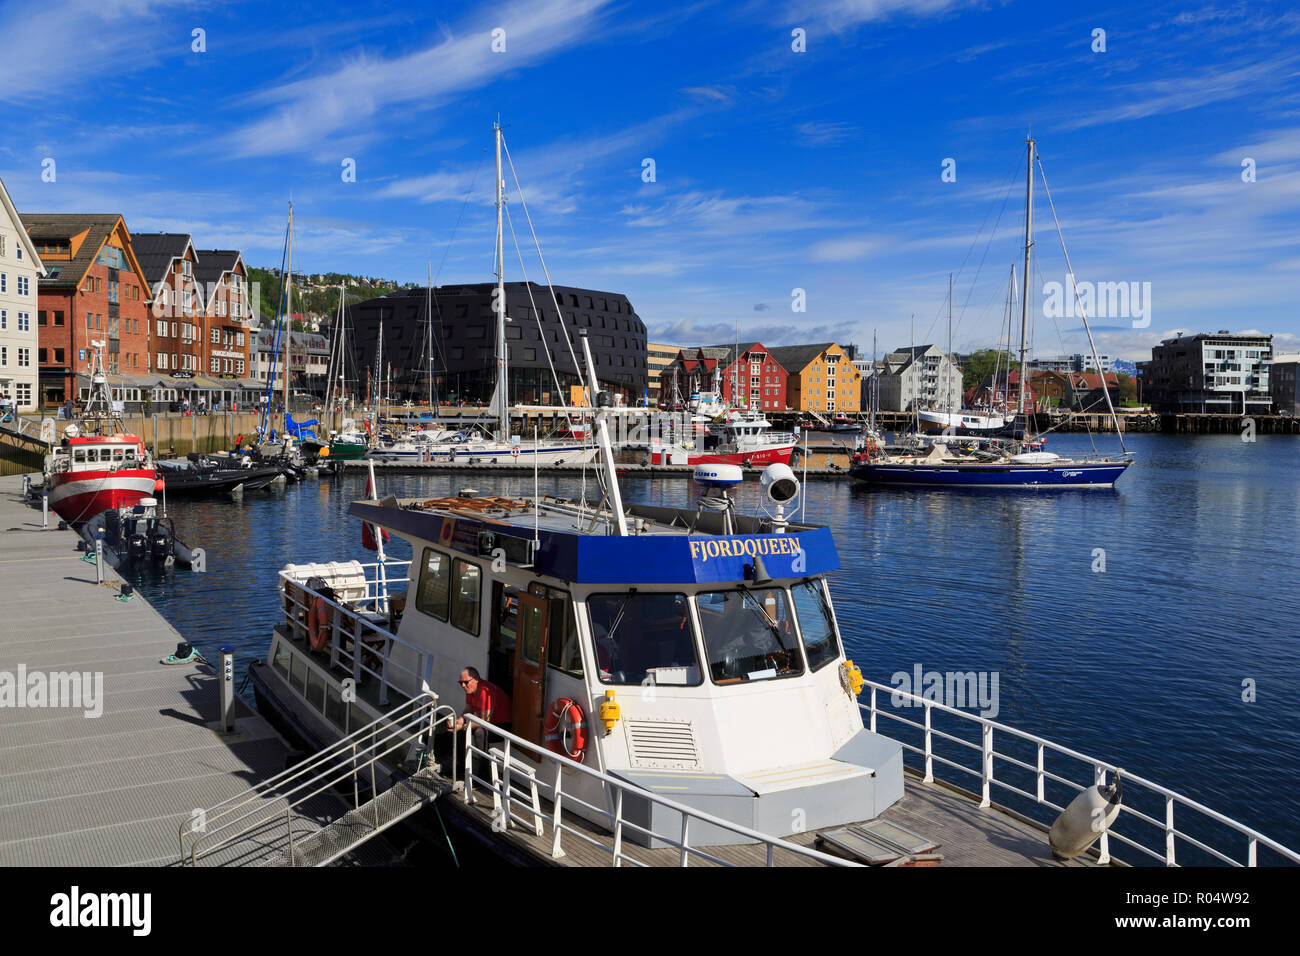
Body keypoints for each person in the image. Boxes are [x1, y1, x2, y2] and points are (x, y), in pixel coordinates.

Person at [448, 667, 512, 752]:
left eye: (466, 682)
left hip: (502, 726)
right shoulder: (470, 689)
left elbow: (485, 721)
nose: (463, 685)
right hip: (488, 724)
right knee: (458, 731)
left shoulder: (485, 691)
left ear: (476, 680)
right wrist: (459, 721)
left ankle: (484, 764)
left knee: (479, 733)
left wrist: (463, 726)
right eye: (461, 682)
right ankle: (460, 763)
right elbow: (468, 710)